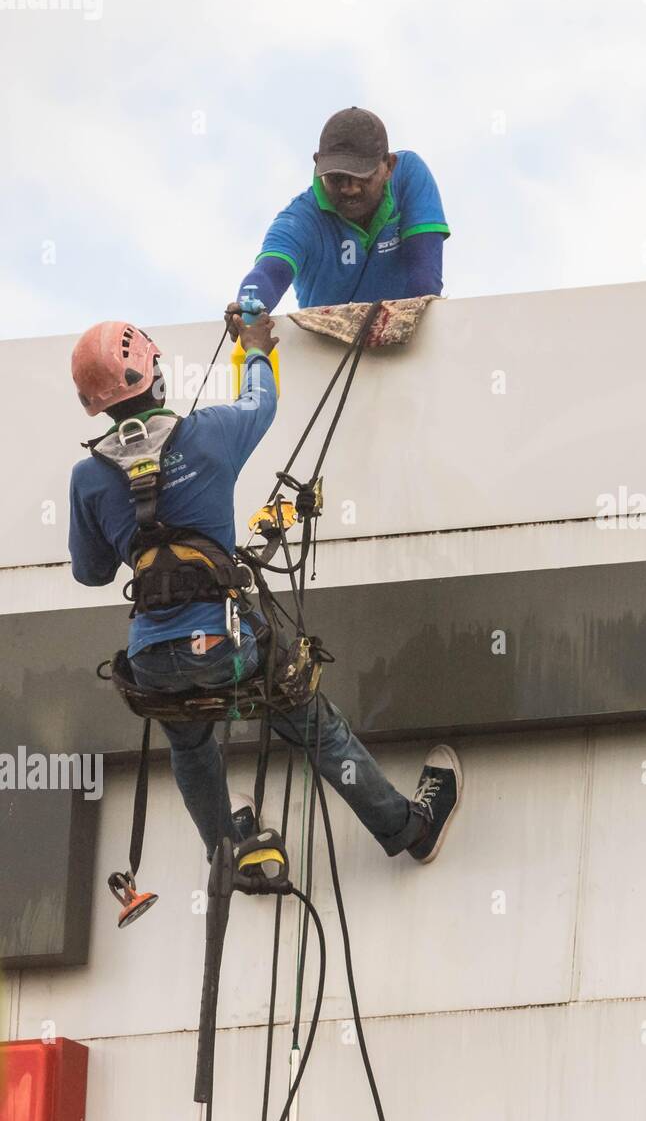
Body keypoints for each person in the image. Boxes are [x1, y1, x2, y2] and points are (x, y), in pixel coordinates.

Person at [67, 314, 463, 868]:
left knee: (189, 742)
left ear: (95, 403)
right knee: (311, 721)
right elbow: (262, 400)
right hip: (226, 647)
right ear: (155, 376)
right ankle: (409, 829)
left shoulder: (88, 478)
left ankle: (227, 852)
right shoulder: (209, 434)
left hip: (151, 660)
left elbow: (90, 572)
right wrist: (254, 347)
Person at [229, 107, 448, 326]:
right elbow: (269, 273)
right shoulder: (300, 219)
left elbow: (425, 278)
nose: (349, 189)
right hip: (328, 352)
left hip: (407, 339)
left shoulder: (408, 176)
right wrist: (247, 307)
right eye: (337, 178)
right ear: (318, 164)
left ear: (389, 166)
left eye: (362, 177)